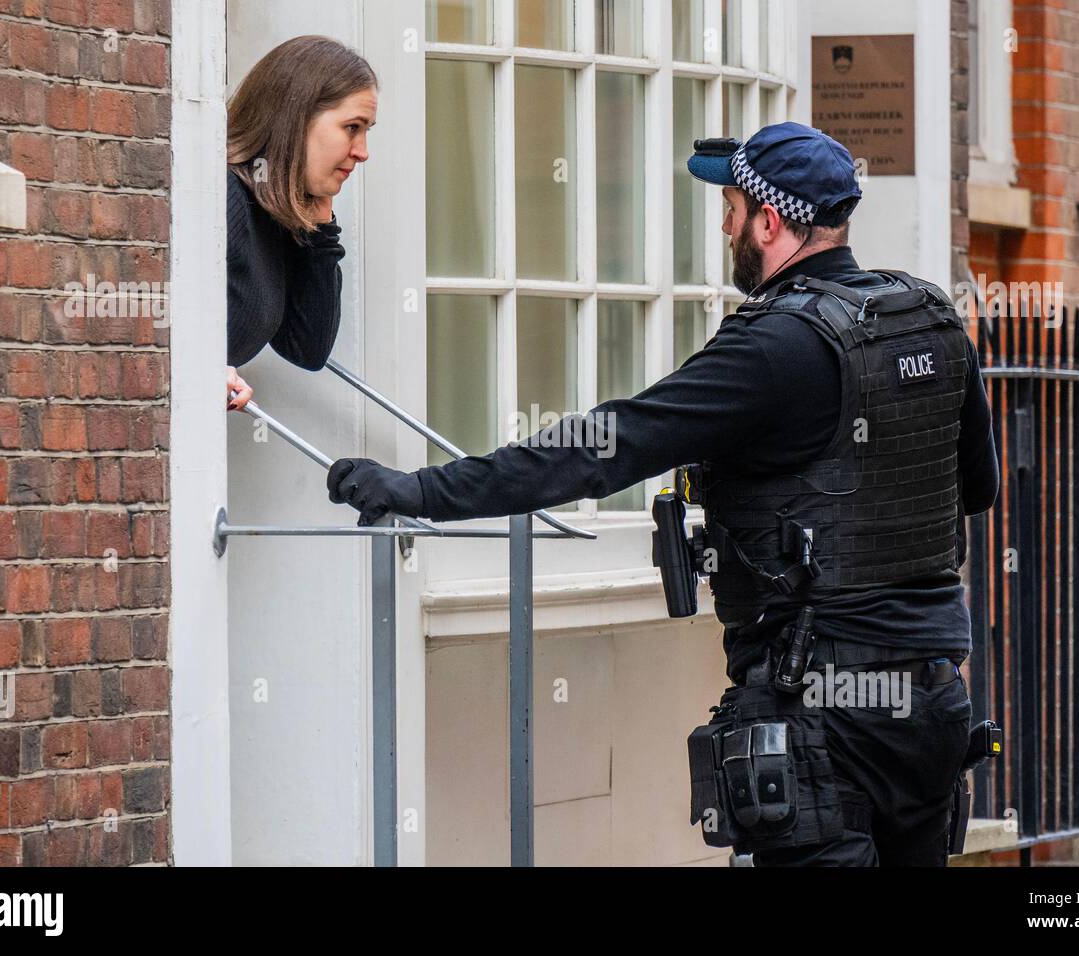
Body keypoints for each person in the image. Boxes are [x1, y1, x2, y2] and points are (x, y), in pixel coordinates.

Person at [325, 122, 1000, 866]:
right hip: (930, 704)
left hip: (821, 717)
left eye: (733, 206)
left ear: (769, 222)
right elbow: (977, 488)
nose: (724, 223)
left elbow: (599, 448)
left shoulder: (773, 348)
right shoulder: (932, 320)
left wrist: (421, 488)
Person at [224, 35, 377, 410]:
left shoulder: (271, 212)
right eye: (352, 127)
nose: (362, 152)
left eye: (366, 131)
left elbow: (306, 349)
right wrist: (197, 364)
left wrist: (321, 232)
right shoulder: (223, 195)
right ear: (296, 119)